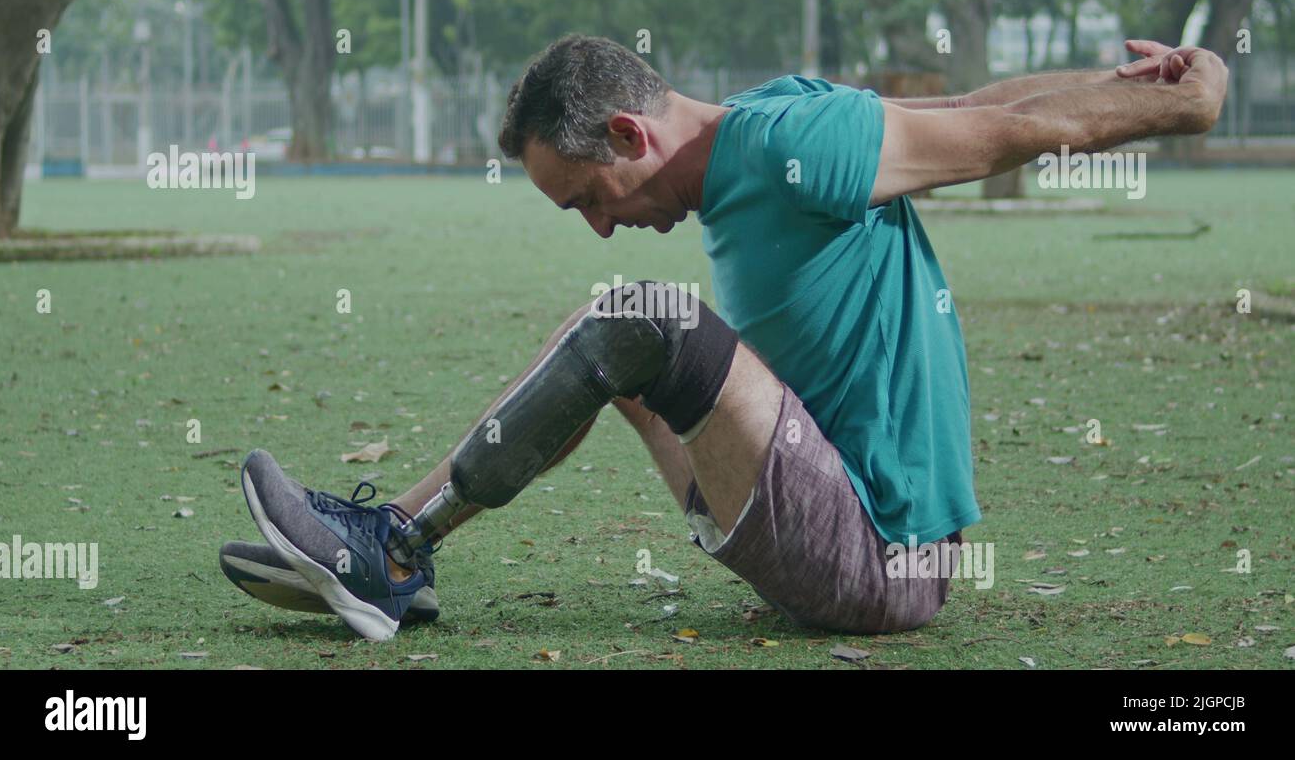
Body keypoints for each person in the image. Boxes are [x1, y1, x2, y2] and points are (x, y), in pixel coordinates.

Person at [221, 35, 1227, 641]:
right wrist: (1116, 72)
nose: (601, 222)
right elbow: (972, 103)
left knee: (638, 318)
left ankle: (385, 550)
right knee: (606, 328)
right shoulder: (770, 133)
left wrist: (1184, 96)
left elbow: (1014, 130)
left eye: (587, 200)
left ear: (627, 134)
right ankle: (397, 547)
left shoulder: (789, 139)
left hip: (882, 559)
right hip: (806, 521)